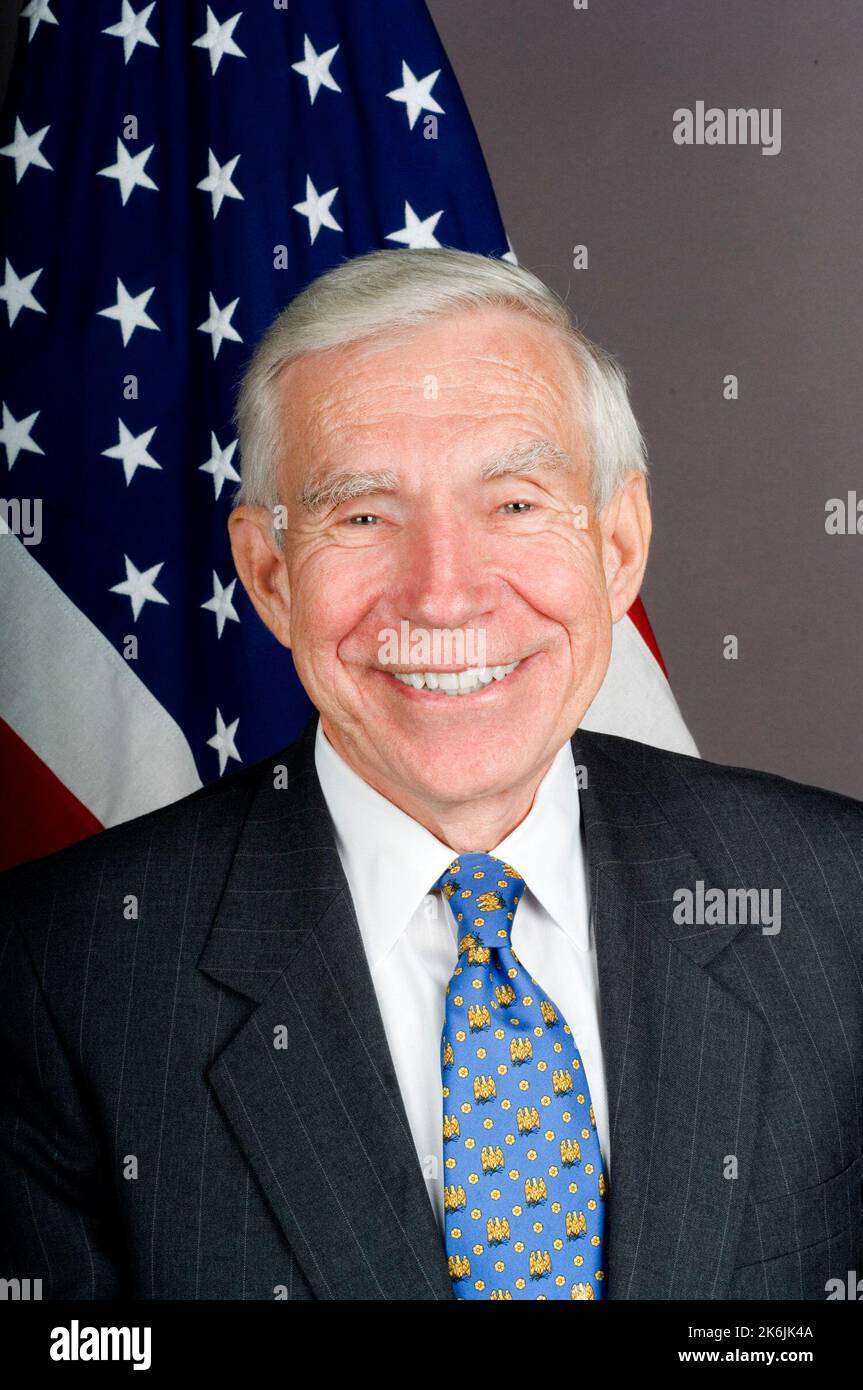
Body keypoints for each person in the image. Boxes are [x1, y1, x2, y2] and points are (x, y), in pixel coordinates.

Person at [1, 249, 860, 1301]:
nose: (443, 596)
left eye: (512, 505)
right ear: (269, 575)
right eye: (362, 516)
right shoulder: (56, 976)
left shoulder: (835, 903)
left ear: (618, 543)